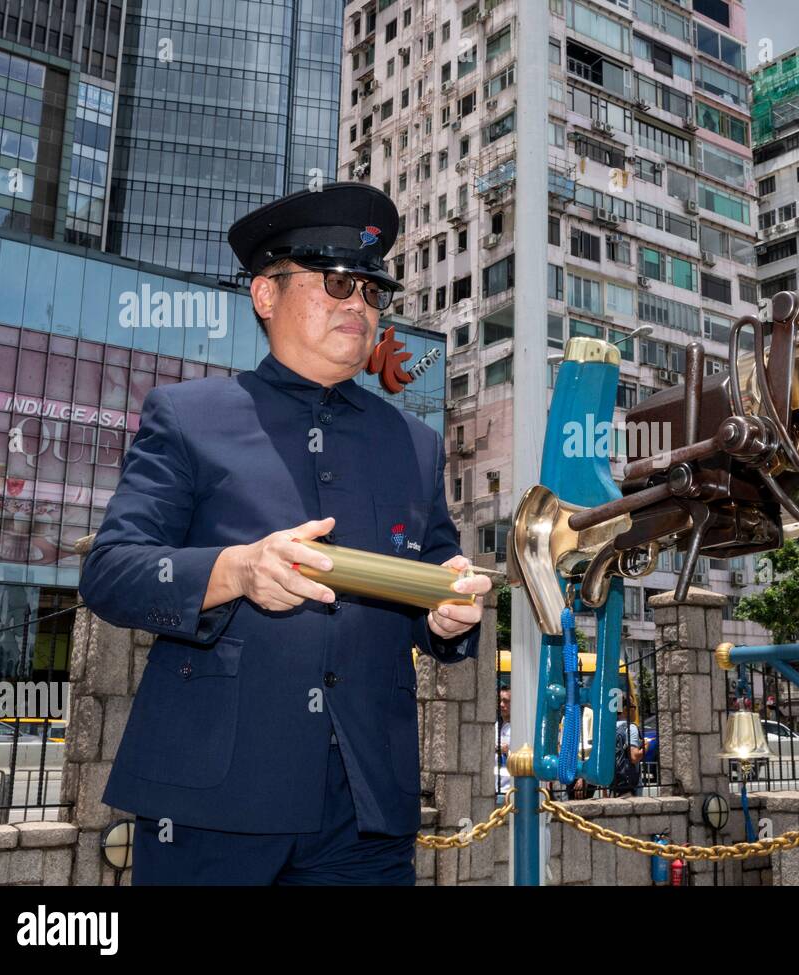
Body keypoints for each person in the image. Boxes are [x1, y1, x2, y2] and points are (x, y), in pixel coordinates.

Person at [79, 182, 491, 885]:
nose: (358, 304)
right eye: (336, 282)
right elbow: (111, 572)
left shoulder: (413, 445)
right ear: (265, 294)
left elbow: (435, 578)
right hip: (213, 801)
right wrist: (236, 571)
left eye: (370, 290)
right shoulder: (189, 416)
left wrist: (451, 614)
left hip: (366, 811)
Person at [611, 698, 645, 798]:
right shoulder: (631, 728)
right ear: (626, 709)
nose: (635, 710)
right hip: (629, 788)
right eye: (634, 707)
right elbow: (634, 757)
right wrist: (646, 747)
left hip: (613, 785)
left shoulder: (610, 728)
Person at [495, 687, 511, 795]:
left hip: (509, 791)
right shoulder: (495, 727)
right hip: (492, 791)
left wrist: (507, 752)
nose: (501, 704)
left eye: (505, 701)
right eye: (499, 700)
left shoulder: (521, 729)